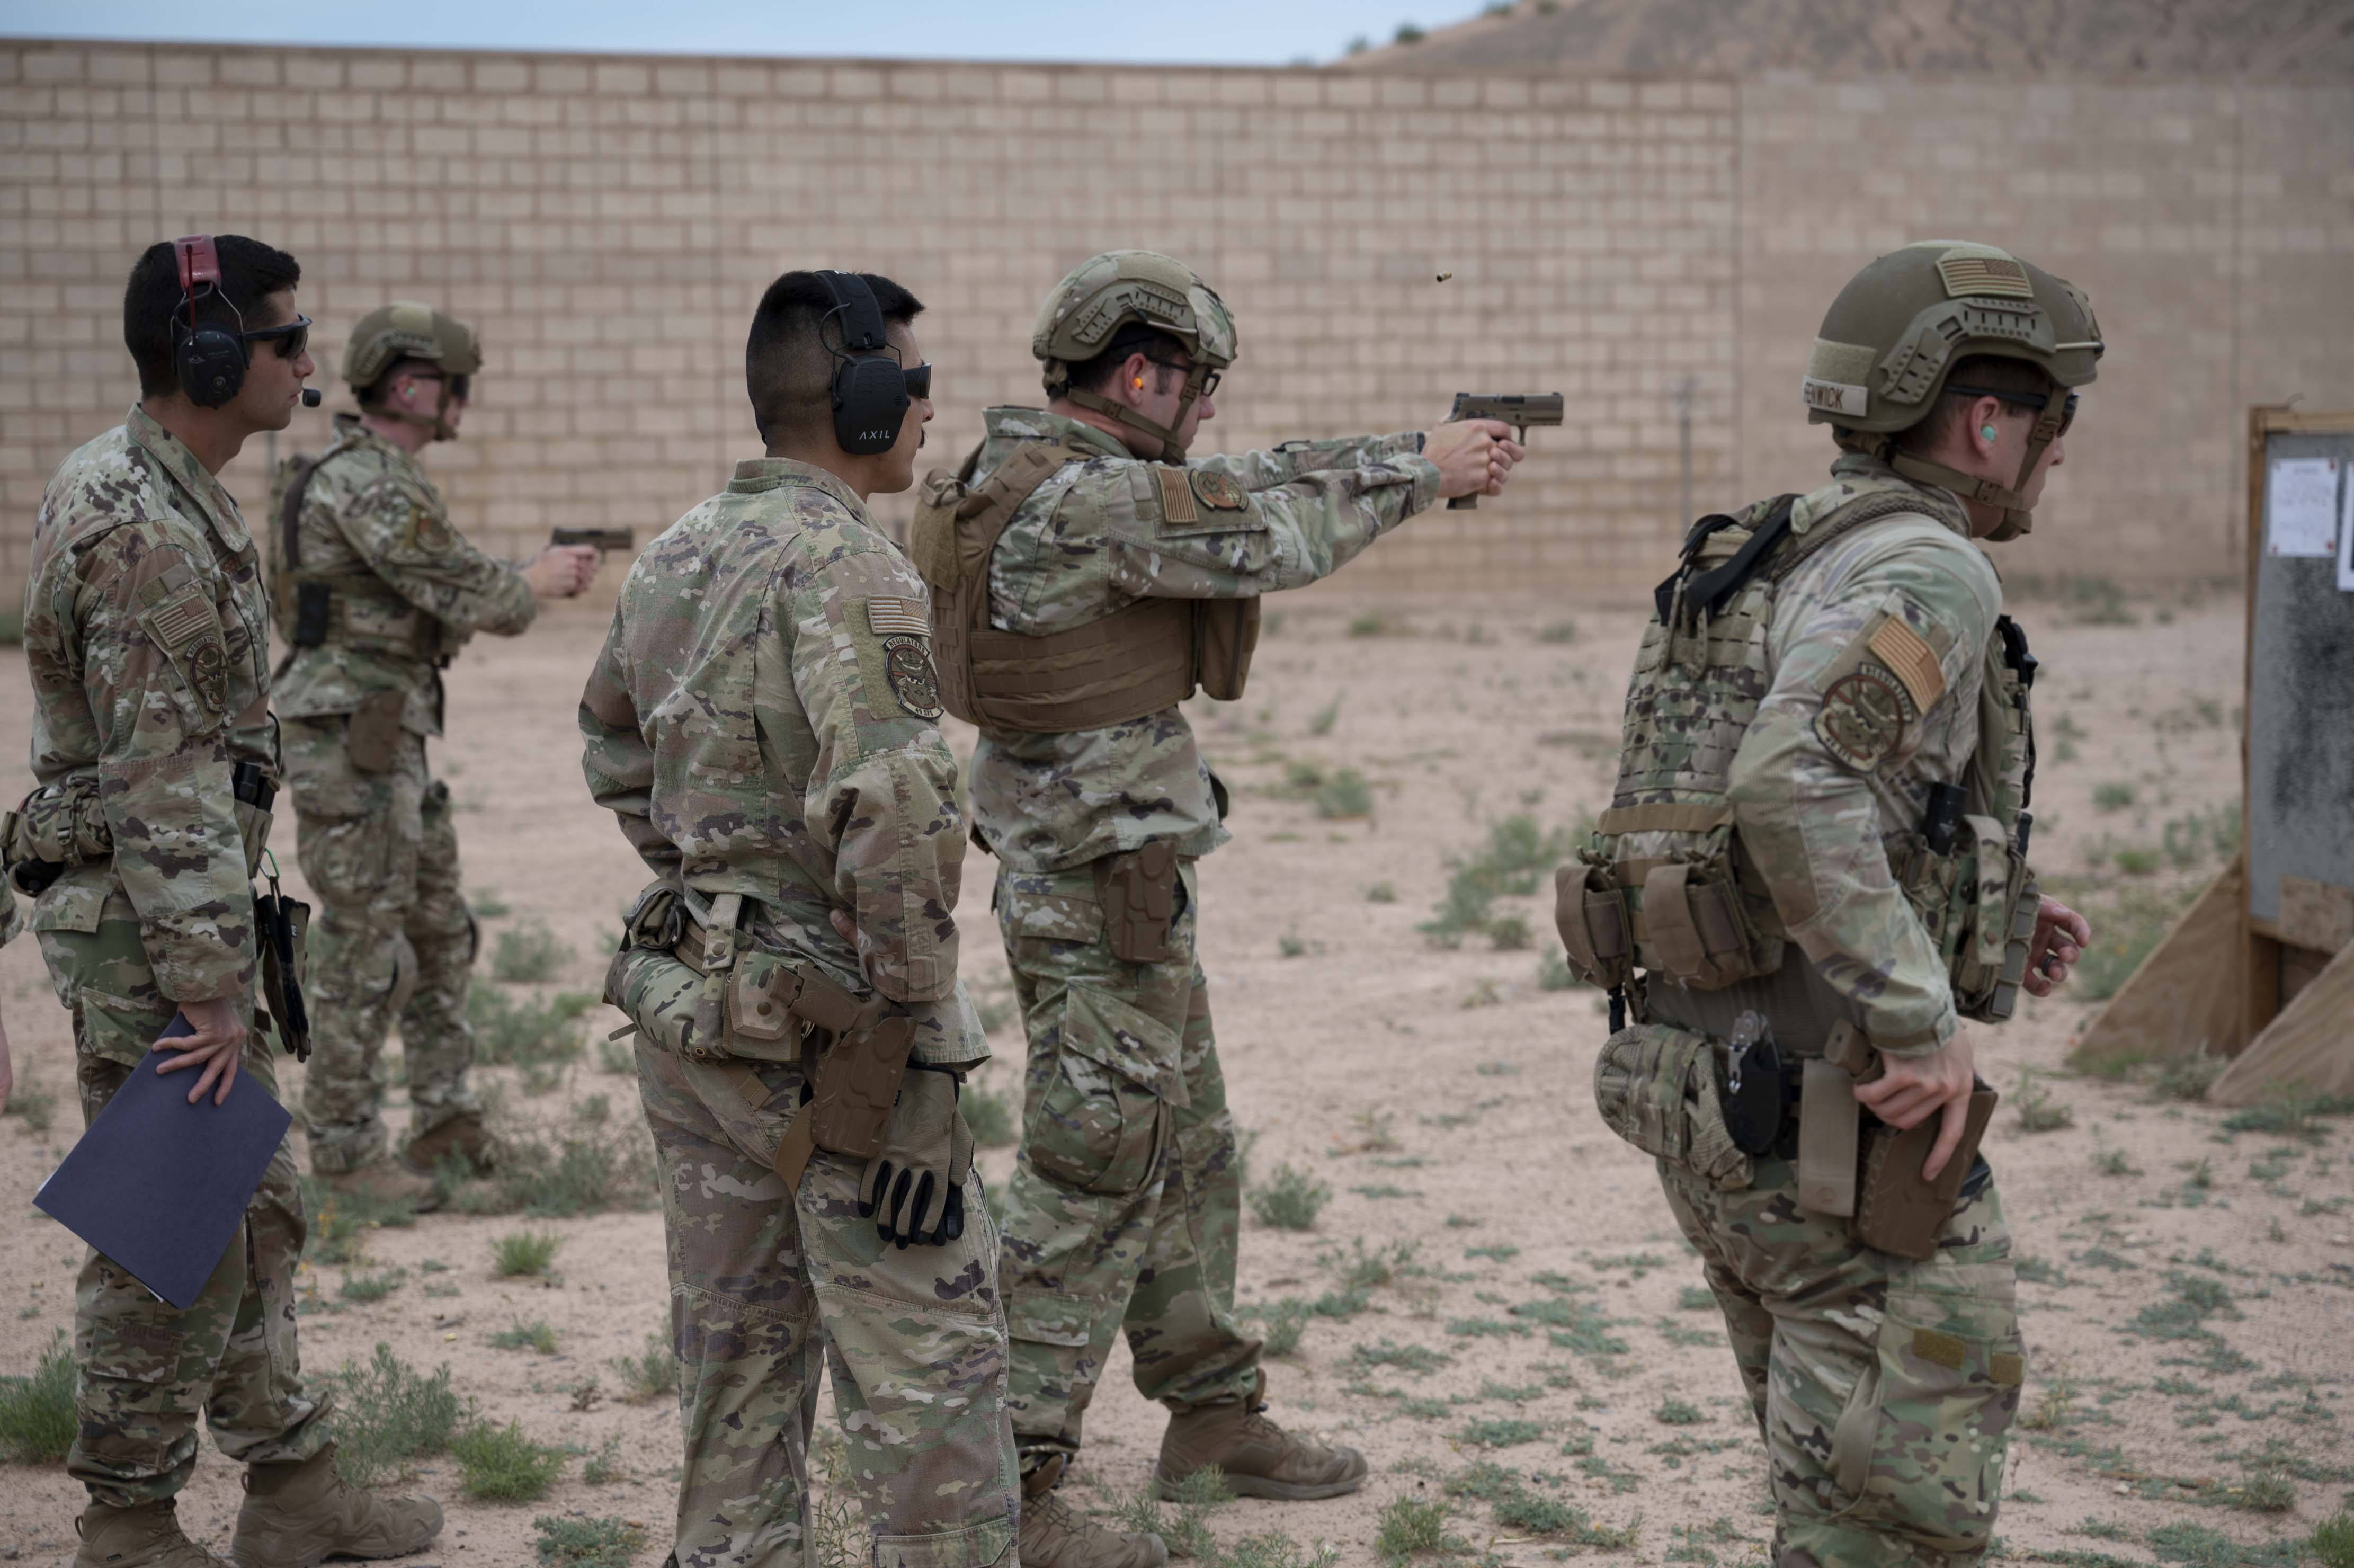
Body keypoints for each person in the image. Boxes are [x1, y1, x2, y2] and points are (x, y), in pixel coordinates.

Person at [912, 250, 1521, 1568]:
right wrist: (1426, 475)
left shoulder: (1011, 472)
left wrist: (1412, 441)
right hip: (1097, 883)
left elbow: (1242, 481)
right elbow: (1268, 529)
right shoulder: (1087, 504)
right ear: (1140, 375)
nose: (1205, 413)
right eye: (1194, 386)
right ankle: (1005, 1488)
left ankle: (1209, 1411)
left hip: (1100, 870)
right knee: (1096, 1164)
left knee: (1186, 1142)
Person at [1555, 240, 2100, 1567]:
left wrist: (1982, 914)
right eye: (2052, 422)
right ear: (1985, 422)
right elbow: (1793, 782)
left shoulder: (1773, 543)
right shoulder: (1926, 568)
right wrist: (1917, 1014)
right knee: (1892, 1514)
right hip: (1830, 1119)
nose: (2057, 455)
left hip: (1706, 1088)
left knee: (1829, 1488)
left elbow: (1789, 798)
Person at [579, 269, 1019, 1568]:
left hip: (694, 1008)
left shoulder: (675, 550)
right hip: (835, 1031)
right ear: (867, 401)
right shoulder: (851, 566)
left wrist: (715, 883)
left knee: (734, 1351)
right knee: (929, 1358)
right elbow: (896, 802)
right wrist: (905, 999)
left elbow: (609, 743)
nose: (934, 411)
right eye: (919, 385)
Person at [16, 235, 439, 1568]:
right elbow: (160, 773)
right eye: (284, 340)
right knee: (170, 1225)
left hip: (169, 910)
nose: (311, 364)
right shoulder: (142, 525)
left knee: (248, 1206)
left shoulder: (161, 487)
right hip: (158, 929)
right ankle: (130, 1522)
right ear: (207, 354)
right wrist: (210, 981)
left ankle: (292, 1485)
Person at [268, 302, 599, 1207]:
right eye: (455, 385)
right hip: (354, 739)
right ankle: (342, 1151)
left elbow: (433, 584)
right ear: (411, 386)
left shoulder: (379, 478)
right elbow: (463, 586)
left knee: (436, 932)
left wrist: (515, 579)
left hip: (384, 728)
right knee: (364, 948)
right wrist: (531, 582)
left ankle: (446, 1120)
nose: (463, 403)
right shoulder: (369, 481)